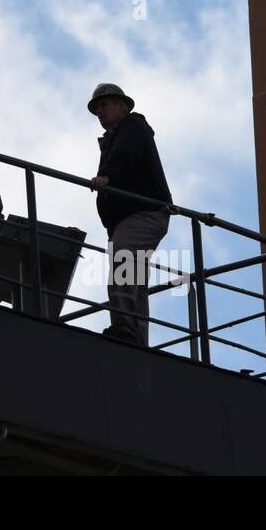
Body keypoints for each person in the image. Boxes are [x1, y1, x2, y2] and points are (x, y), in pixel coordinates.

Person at [87, 83, 172, 347]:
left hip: (143, 213)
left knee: (122, 257)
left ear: (123, 106)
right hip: (132, 217)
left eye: (105, 105)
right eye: (97, 108)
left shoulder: (133, 126)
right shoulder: (115, 137)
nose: (100, 111)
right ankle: (137, 339)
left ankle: (125, 328)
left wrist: (106, 175)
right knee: (134, 278)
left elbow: (125, 154)